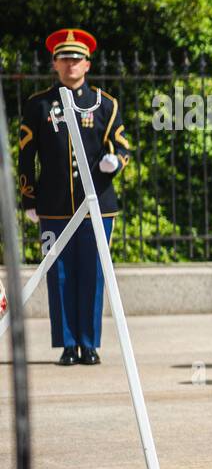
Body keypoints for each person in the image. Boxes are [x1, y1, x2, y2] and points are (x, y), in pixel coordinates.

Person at [18, 28, 131, 366]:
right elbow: (26, 155)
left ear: (87, 63)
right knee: (60, 275)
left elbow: (122, 146)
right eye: (64, 58)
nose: (71, 64)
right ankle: (68, 343)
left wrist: (116, 162)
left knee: (93, 273)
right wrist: (28, 199)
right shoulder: (38, 105)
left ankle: (89, 343)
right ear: (55, 63)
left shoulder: (105, 104)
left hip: (97, 207)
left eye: (77, 58)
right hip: (53, 206)